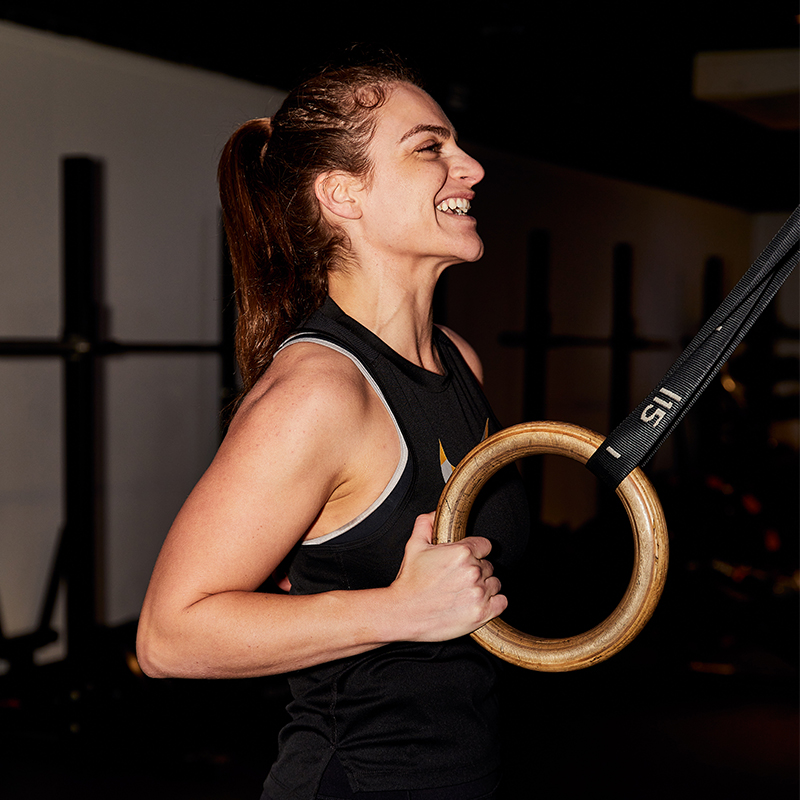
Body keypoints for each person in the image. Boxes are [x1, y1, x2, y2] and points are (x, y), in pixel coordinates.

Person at [136, 49, 529, 800]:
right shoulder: (320, 393)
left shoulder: (460, 362)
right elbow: (167, 636)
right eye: (431, 148)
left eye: (458, 143)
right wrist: (398, 610)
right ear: (343, 194)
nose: (471, 166)